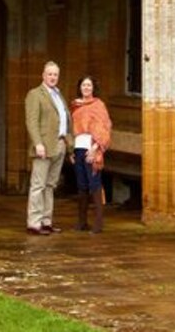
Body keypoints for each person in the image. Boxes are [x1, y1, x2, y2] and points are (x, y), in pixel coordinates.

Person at [24, 60, 70, 234]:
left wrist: (69, 145)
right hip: (43, 145)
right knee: (38, 185)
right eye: (50, 74)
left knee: (50, 185)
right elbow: (31, 121)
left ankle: (46, 221)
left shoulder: (58, 94)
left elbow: (65, 120)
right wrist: (38, 143)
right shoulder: (35, 94)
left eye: (55, 74)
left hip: (59, 144)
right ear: (43, 75)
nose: (53, 77)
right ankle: (34, 223)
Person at [70, 74, 112, 233]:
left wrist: (94, 149)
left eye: (89, 85)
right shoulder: (75, 105)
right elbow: (72, 128)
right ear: (79, 87)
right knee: (81, 185)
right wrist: (72, 150)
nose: (86, 88)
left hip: (92, 148)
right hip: (78, 148)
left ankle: (98, 223)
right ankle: (82, 222)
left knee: (94, 184)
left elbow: (104, 128)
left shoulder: (98, 105)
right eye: (83, 85)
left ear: (93, 88)